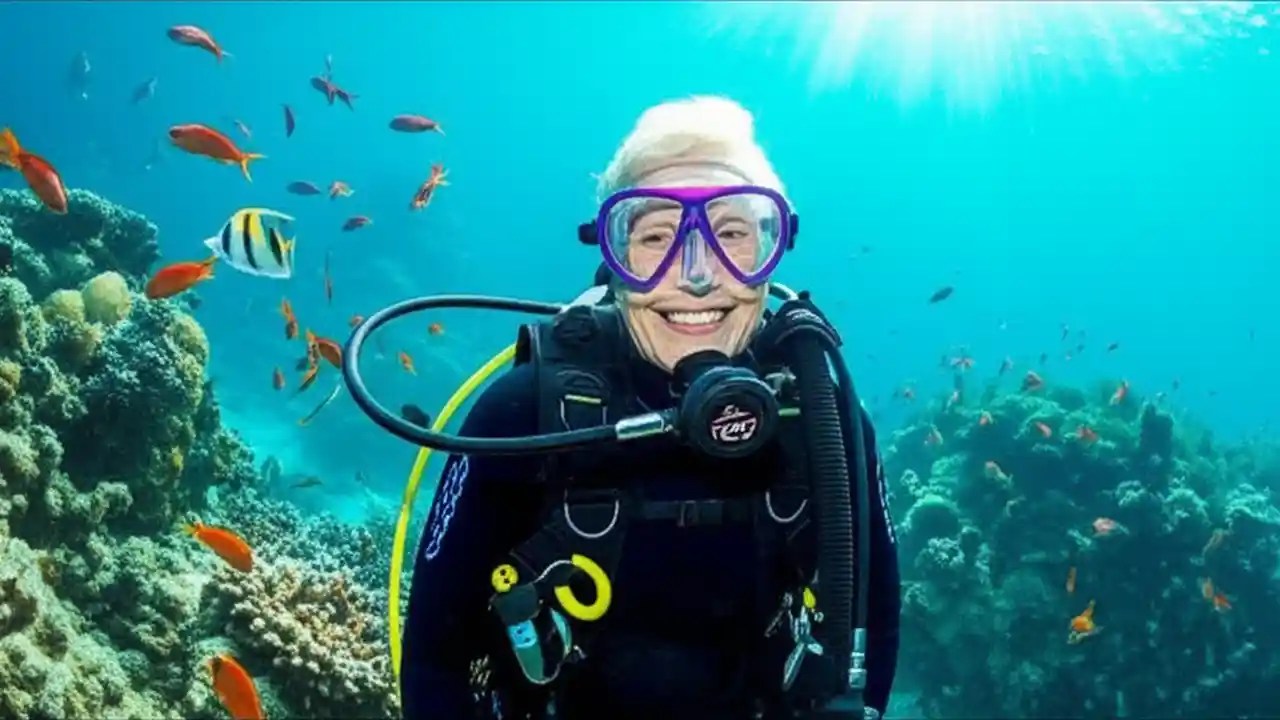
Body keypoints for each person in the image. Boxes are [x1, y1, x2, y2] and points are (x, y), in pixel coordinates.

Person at [399, 96, 900, 720]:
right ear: (613, 258)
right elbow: (431, 660)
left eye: (734, 234)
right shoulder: (522, 415)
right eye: (656, 236)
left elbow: (873, 637)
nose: (696, 275)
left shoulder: (827, 426)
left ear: (775, 248)